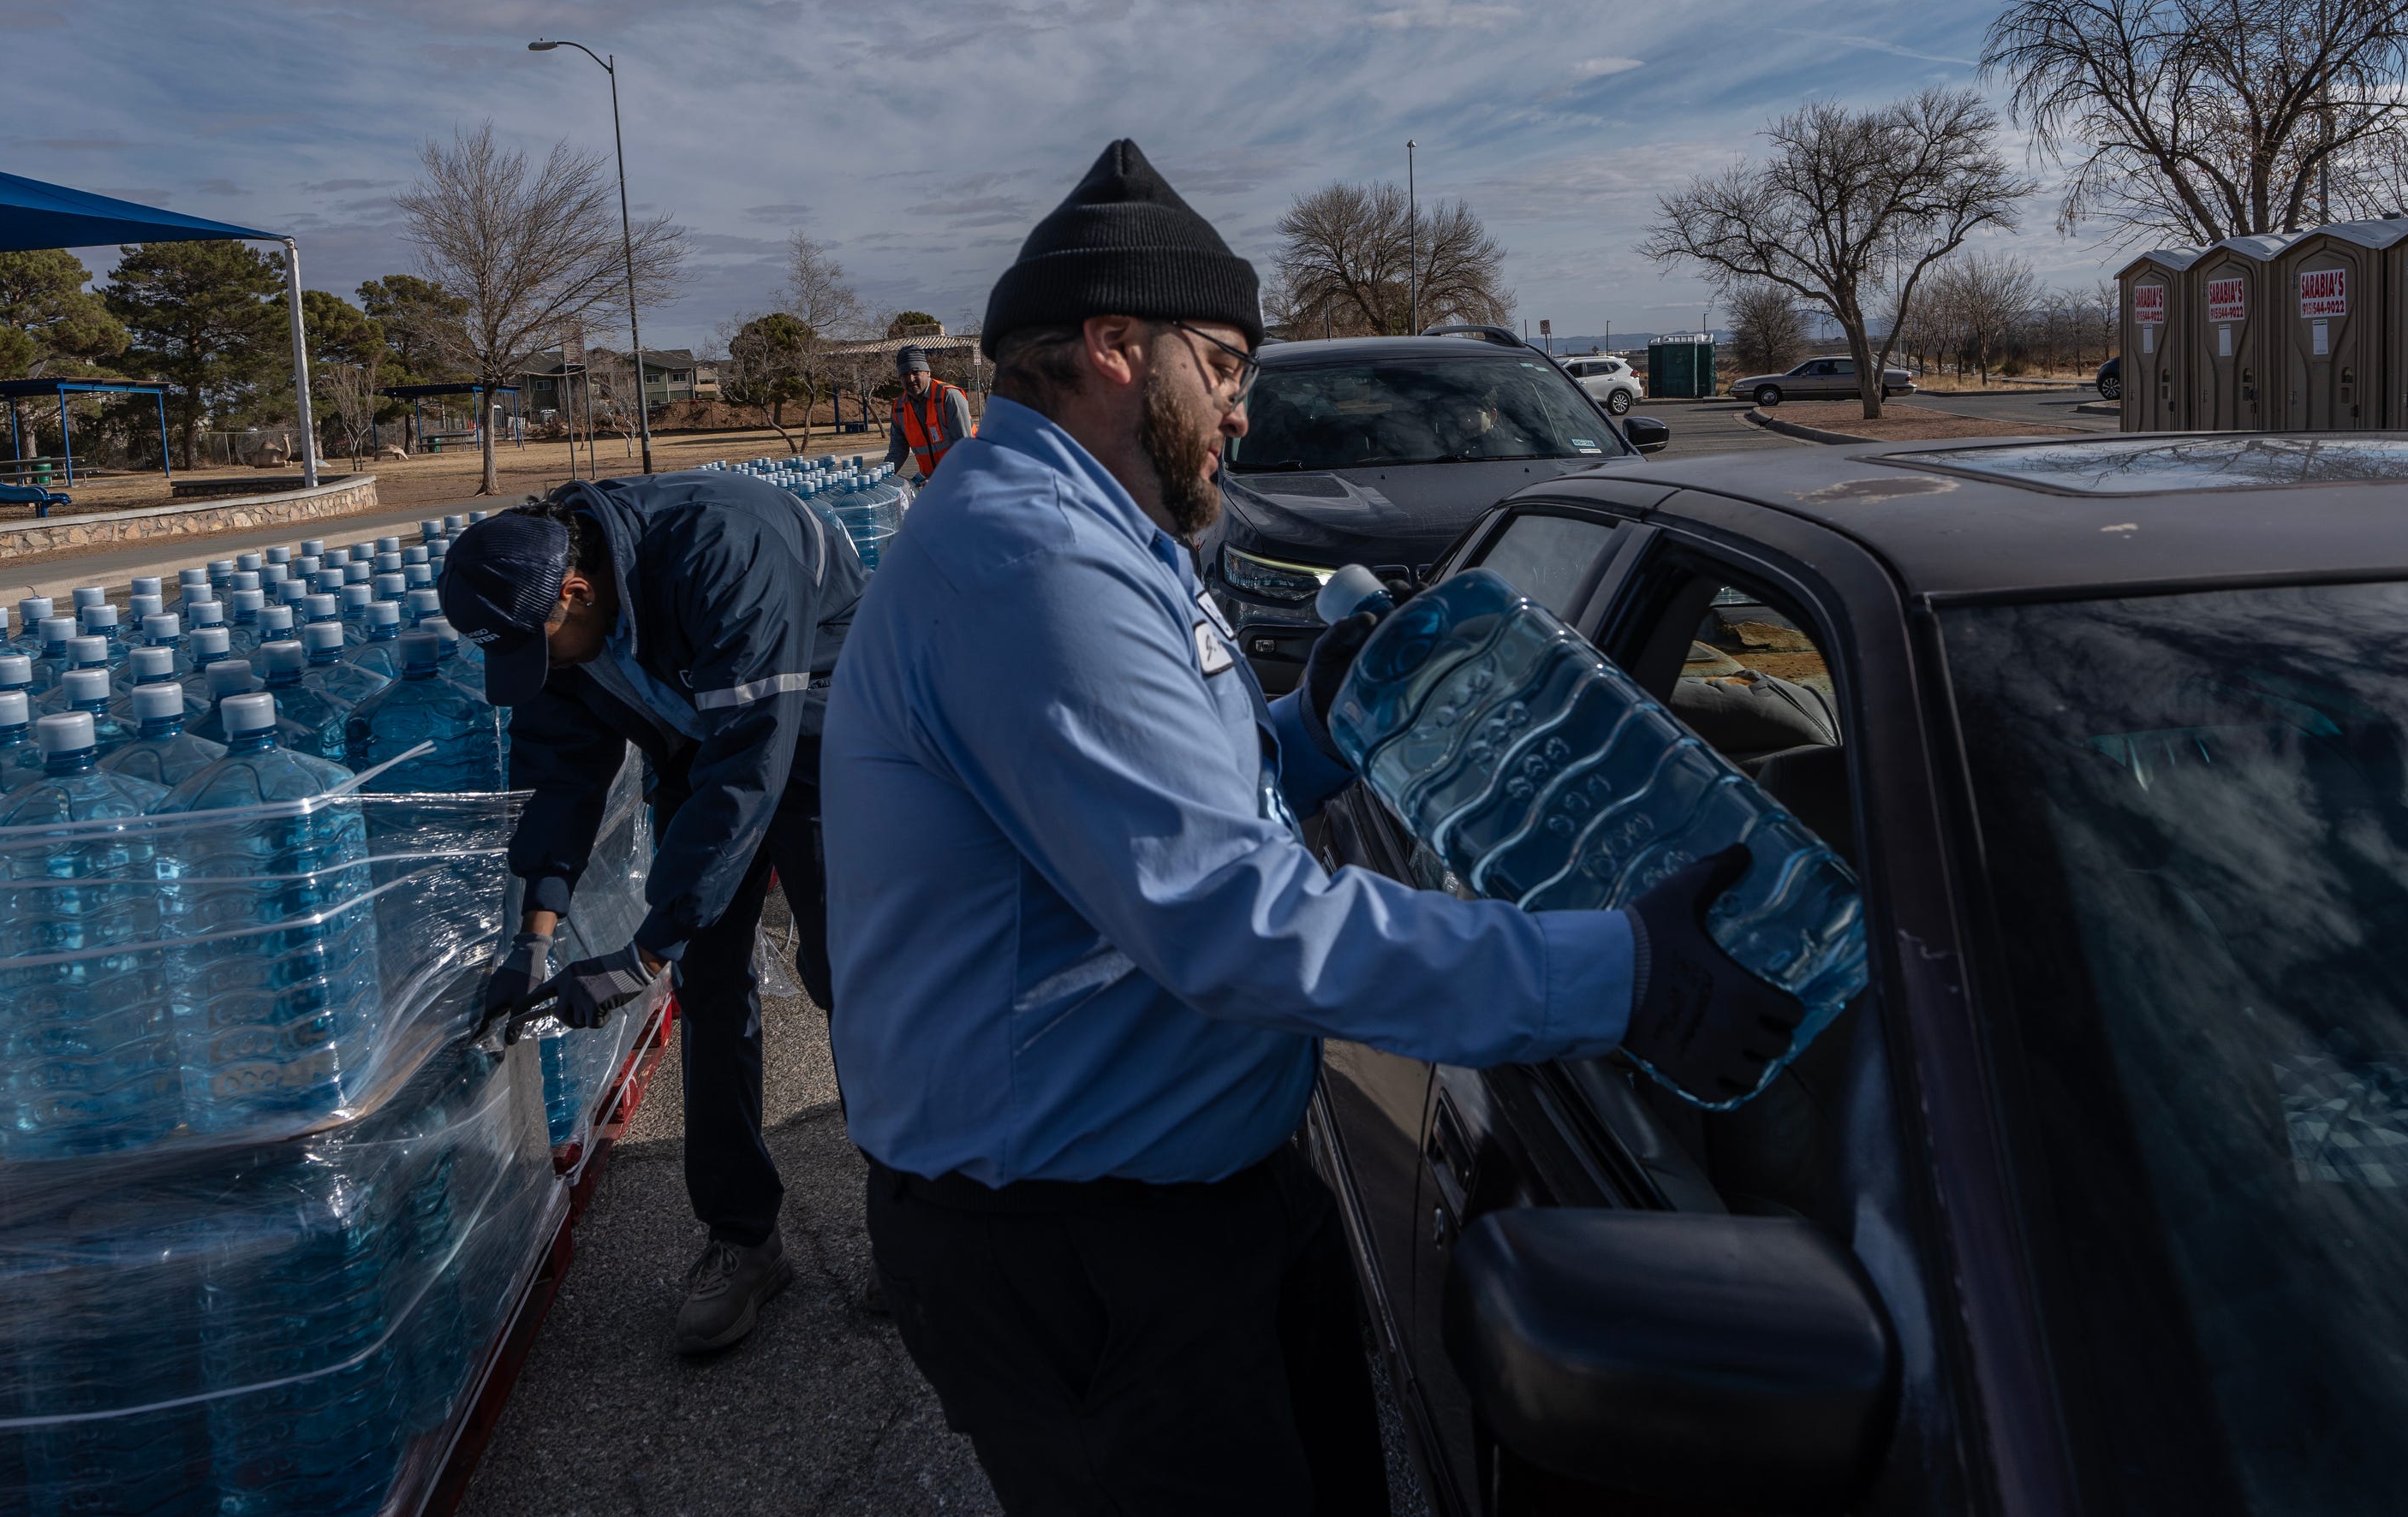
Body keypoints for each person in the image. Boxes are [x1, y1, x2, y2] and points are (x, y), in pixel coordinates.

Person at [822, 139, 1803, 1515]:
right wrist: (1622, 973)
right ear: (1116, 344)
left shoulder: (1101, 538)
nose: (1239, 411)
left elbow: (1152, 829)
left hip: (1179, 1208)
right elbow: (1231, 919)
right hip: (1082, 1246)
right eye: (1223, 364)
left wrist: (1310, 735)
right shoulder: (1033, 561)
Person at [445, 472, 864, 1353]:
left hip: (820, 722)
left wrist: (644, 952)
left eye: (547, 642)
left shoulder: (719, 547)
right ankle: (742, 1237)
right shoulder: (553, 620)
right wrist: (534, 932)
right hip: (697, 733)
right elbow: (561, 777)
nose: (549, 664)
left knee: (851, 973)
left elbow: (751, 767)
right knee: (711, 983)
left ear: (577, 590)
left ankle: (916, 1212)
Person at [885, 342, 976, 481]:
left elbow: (964, 449)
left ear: (927, 372)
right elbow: (897, 452)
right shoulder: (899, 408)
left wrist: (940, 480)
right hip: (932, 484)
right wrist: (878, 477)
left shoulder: (948, 396)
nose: (911, 379)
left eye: (916, 372)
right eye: (904, 374)